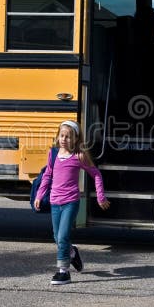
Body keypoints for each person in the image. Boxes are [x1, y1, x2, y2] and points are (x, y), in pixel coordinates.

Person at [34, 120, 111, 285]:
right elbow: (47, 175)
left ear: (76, 139)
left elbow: (96, 174)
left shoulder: (79, 156)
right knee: (57, 237)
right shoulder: (53, 154)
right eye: (62, 135)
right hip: (55, 202)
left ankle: (63, 271)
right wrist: (39, 195)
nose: (64, 139)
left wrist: (100, 197)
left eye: (68, 137)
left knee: (62, 236)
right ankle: (72, 253)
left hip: (71, 202)